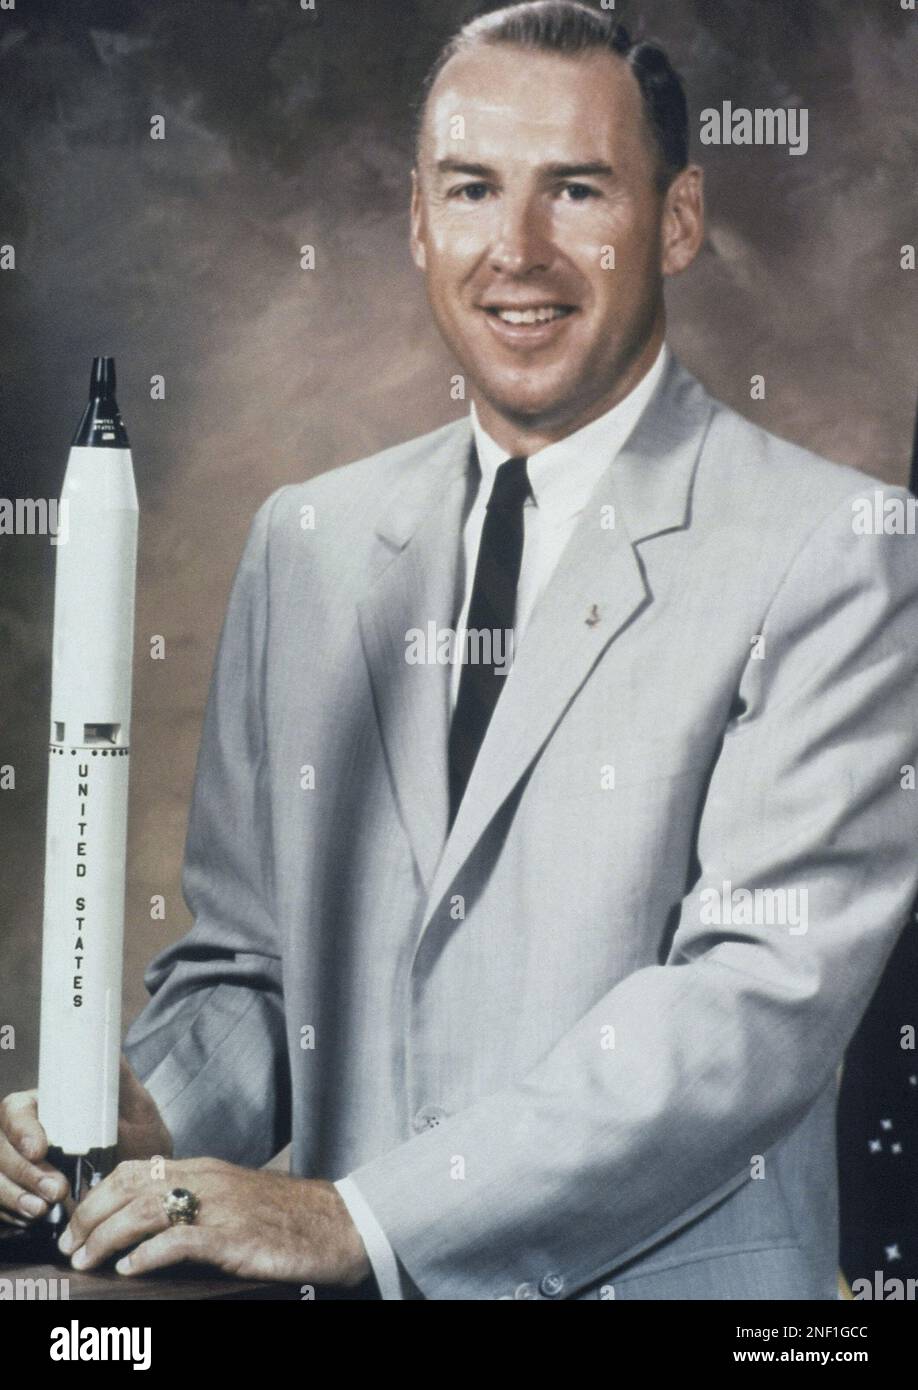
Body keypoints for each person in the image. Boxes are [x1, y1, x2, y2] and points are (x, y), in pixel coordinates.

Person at [3, 1, 918, 1301]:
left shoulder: (836, 544)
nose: (518, 249)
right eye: (474, 189)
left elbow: (748, 1012)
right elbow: (249, 969)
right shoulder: (306, 543)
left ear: (674, 220)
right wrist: (142, 1107)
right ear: (419, 222)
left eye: (578, 189)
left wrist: (357, 1219)